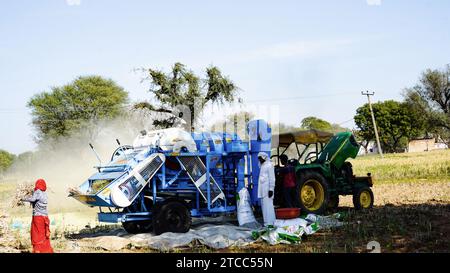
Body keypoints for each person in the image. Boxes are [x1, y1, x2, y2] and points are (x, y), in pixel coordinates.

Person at [21, 179, 54, 253]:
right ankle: (46, 250)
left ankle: (38, 250)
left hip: (38, 217)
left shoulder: (38, 191)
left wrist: (22, 198)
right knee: (43, 234)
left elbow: (33, 199)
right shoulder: (45, 193)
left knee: (37, 234)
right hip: (45, 217)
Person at [257, 152, 276, 226]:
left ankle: (270, 222)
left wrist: (271, 189)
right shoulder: (263, 165)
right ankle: (266, 222)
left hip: (268, 190)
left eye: (260, 158)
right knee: (264, 207)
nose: (259, 160)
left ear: (264, 157)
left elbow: (272, 178)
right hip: (263, 190)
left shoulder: (269, 165)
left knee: (268, 207)